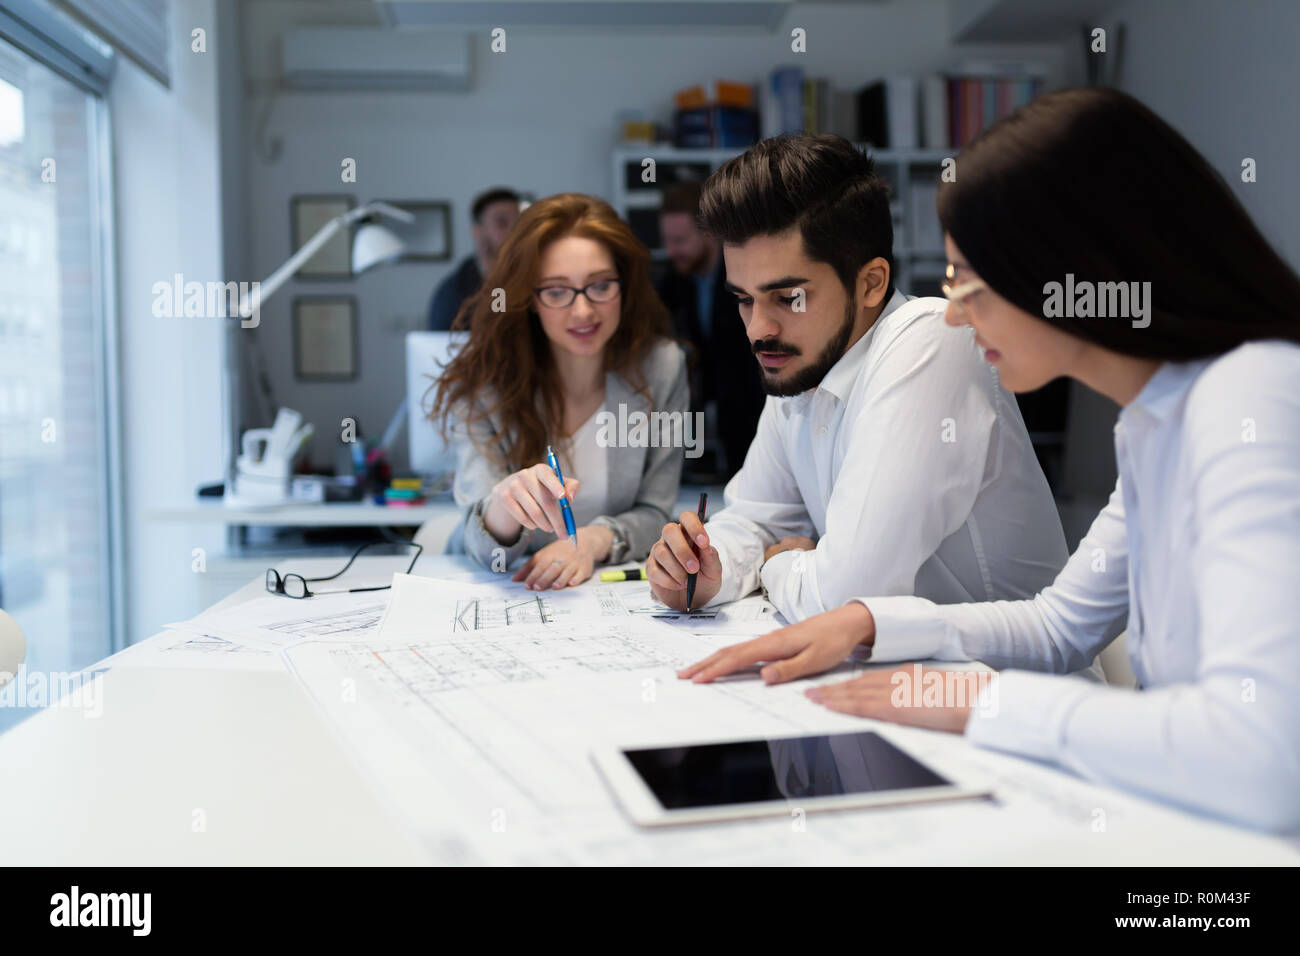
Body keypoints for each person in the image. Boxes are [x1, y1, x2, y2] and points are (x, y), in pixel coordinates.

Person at [679, 88, 1300, 833]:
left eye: (972, 283)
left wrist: (982, 700)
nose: (953, 313)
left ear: (1081, 273)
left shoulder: (1250, 396)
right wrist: (871, 624)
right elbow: (1060, 625)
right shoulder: (1153, 421)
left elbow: (1264, 757)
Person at [646, 134, 1070, 633]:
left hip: (1006, 693)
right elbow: (758, 522)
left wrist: (776, 565)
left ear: (870, 282)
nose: (758, 329)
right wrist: (704, 568)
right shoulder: (800, 365)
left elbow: (846, 597)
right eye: (743, 299)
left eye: (788, 298)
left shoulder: (932, 338)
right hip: (892, 683)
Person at [428, 193, 688, 590]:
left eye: (600, 286)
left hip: (602, 591)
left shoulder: (662, 367)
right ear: (528, 298)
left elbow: (656, 511)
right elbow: (479, 545)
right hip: (505, 590)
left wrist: (591, 541)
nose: (583, 311)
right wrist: (504, 505)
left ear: (626, 283)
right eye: (556, 291)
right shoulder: (487, 380)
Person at [655, 181, 765, 480]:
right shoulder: (679, 278)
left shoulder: (745, 277)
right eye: (667, 240)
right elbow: (649, 318)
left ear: (709, 234)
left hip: (756, 403)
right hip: (711, 404)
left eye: (679, 240)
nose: (671, 250)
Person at [428, 187, 522, 331]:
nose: (513, 231)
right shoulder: (454, 291)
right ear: (478, 232)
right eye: (502, 223)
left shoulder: (531, 276)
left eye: (518, 223)